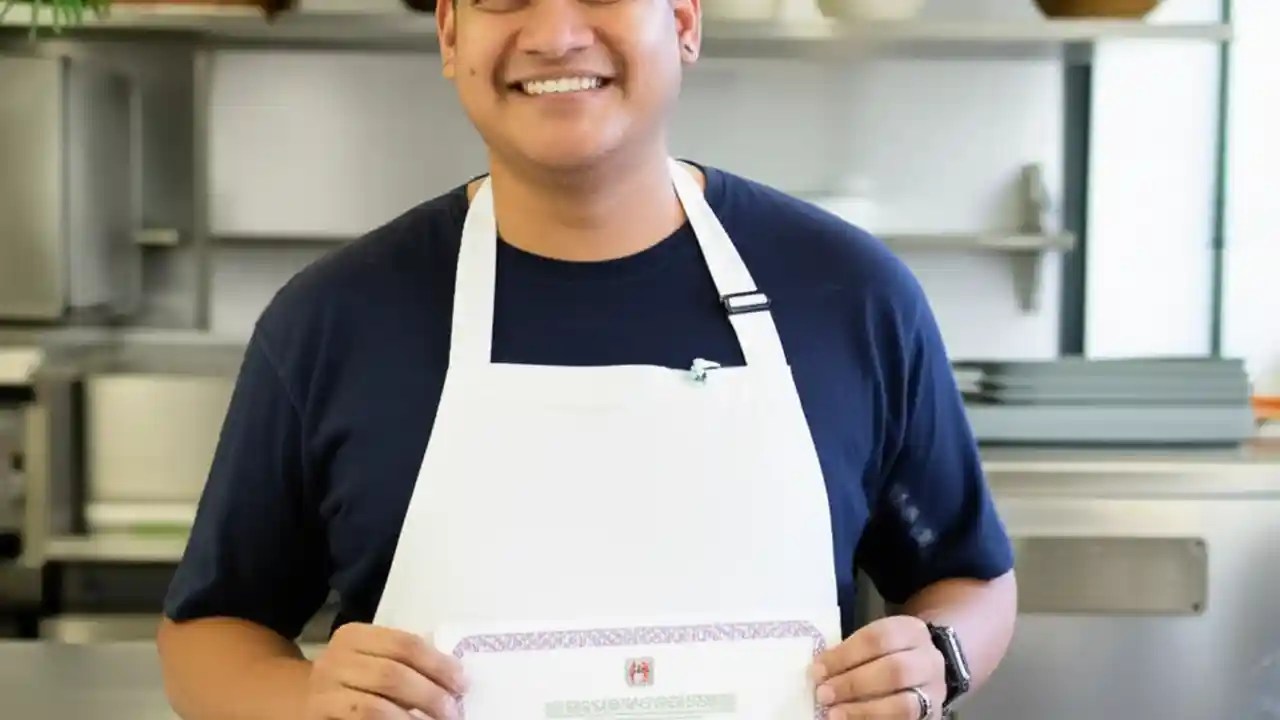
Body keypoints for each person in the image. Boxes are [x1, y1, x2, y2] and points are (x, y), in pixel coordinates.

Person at [155, 0, 1018, 717]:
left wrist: (937, 658)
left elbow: (969, 579)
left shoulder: (851, 294)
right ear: (450, 33)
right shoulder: (333, 319)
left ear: (683, 20)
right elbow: (207, 635)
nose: (556, 32)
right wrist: (302, 702)